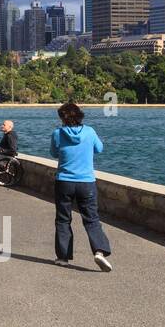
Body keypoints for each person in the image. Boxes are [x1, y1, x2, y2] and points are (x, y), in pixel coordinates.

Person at [51, 102, 113, 271]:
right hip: (86, 182)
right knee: (91, 218)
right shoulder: (90, 132)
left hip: (64, 181)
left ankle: (63, 257)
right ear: (80, 116)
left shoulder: (57, 133)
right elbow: (99, 149)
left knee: (63, 219)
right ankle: (99, 251)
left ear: (62, 118)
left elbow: (54, 153)